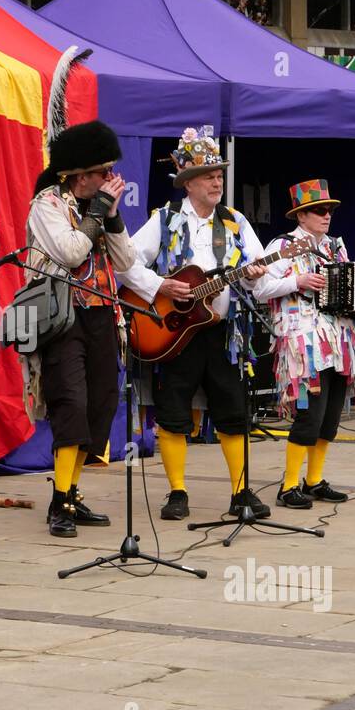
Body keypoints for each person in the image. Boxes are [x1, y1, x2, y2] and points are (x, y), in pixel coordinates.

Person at [119, 127, 268, 522]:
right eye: (209, 176)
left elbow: (258, 277)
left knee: (234, 411)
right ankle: (177, 492)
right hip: (175, 331)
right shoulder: (164, 220)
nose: (218, 181)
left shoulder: (235, 222)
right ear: (188, 183)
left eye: (220, 175)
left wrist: (252, 275)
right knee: (172, 410)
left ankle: (240, 493)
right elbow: (124, 262)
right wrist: (160, 284)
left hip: (222, 331)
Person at [22, 120, 136, 537]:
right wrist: (96, 211)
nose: (111, 178)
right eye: (104, 171)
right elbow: (70, 252)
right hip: (62, 316)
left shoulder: (99, 207)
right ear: (81, 175)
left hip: (103, 315)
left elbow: (125, 262)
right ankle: (59, 503)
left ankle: (71, 494)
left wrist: (112, 215)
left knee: (100, 404)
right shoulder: (46, 204)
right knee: (70, 403)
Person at [253, 180, 355, 508]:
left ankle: (314, 480)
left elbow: (349, 297)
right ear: (301, 216)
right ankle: (288, 486)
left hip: (339, 342)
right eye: (319, 210)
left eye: (330, 210)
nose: (327, 215)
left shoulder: (335, 247)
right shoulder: (282, 245)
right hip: (303, 344)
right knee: (308, 414)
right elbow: (259, 289)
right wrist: (296, 281)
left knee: (330, 417)